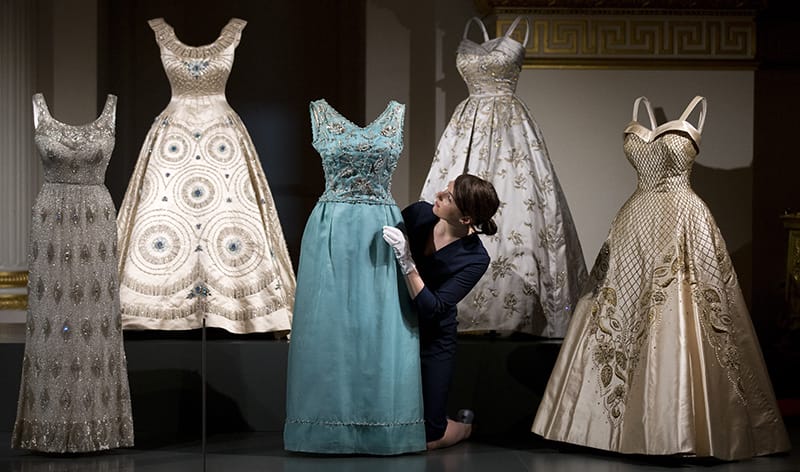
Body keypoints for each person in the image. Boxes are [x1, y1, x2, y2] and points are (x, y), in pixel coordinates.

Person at [383, 174, 500, 450]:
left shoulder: (475, 258)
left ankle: (464, 427)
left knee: (430, 437)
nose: (437, 195)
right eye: (446, 189)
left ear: (465, 219)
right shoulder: (418, 214)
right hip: (395, 323)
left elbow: (432, 308)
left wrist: (407, 262)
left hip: (433, 336)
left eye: (447, 197)